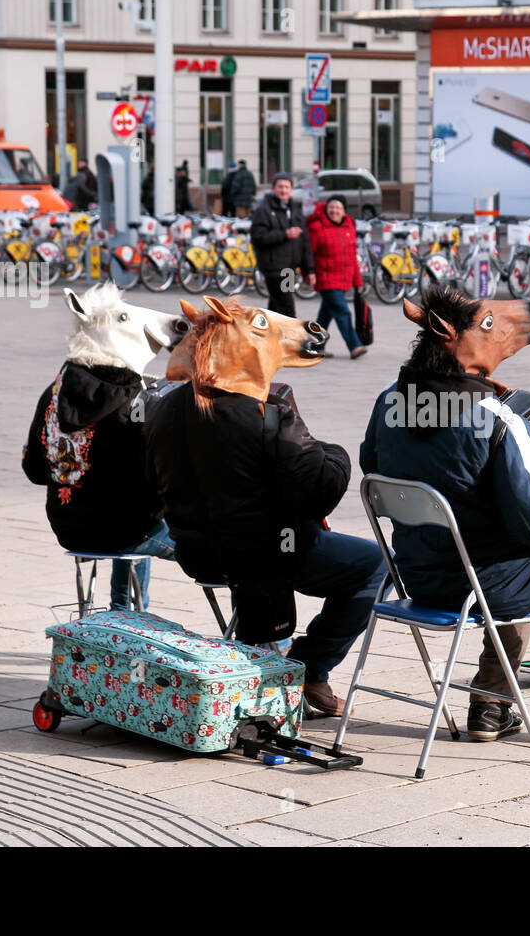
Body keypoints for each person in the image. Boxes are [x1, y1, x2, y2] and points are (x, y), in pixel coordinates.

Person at [360, 289, 530, 745]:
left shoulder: (389, 401)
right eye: (485, 325)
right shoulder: (496, 417)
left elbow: (371, 466)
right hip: (482, 584)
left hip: (416, 578)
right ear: (452, 338)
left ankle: (491, 708)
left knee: (513, 559)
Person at [143, 298, 386, 715]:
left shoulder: (163, 408)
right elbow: (322, 488)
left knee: (245, 538)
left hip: (198, 555)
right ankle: (311, 665)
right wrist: (333, 450)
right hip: (269, 556)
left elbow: (152, 486)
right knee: (378, 565)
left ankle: (275, 654)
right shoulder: (266, 416)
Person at [22, 284, 185, 612]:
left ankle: (122, 615)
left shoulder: (52, 395)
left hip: (68, 527)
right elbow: (156, 477)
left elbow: (35, 471)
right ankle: (272, 641)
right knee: (228, 549)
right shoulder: (134, 401)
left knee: (132, 512)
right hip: (122, 530)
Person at [306, 194, 366, 360]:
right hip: (325, 277)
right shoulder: (317, 227)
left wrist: (357, 282)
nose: (334, 210)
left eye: (338, 207)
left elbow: (353, 257)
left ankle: (315, 347)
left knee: (325, 315)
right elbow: (308, 253)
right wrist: (308, 272)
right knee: (342, 311)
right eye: (331, 207)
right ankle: (354, 345)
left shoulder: (348, 226)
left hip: (343, 279)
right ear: (326, 209)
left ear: (344, 211)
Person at [251, 172, 315, 318]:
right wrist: (285, 234)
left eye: (287, 187)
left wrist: (309, 269)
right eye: (280, 187)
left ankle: (266, 339)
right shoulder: (264, 210)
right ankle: (290, 340)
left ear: (291, 189)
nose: (283, 190)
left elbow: (304, 242)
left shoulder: (295, 209)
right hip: (274, 267)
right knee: (287, 311)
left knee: (275, 310)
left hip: (289, 268)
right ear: (273, 189)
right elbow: (258, 237)